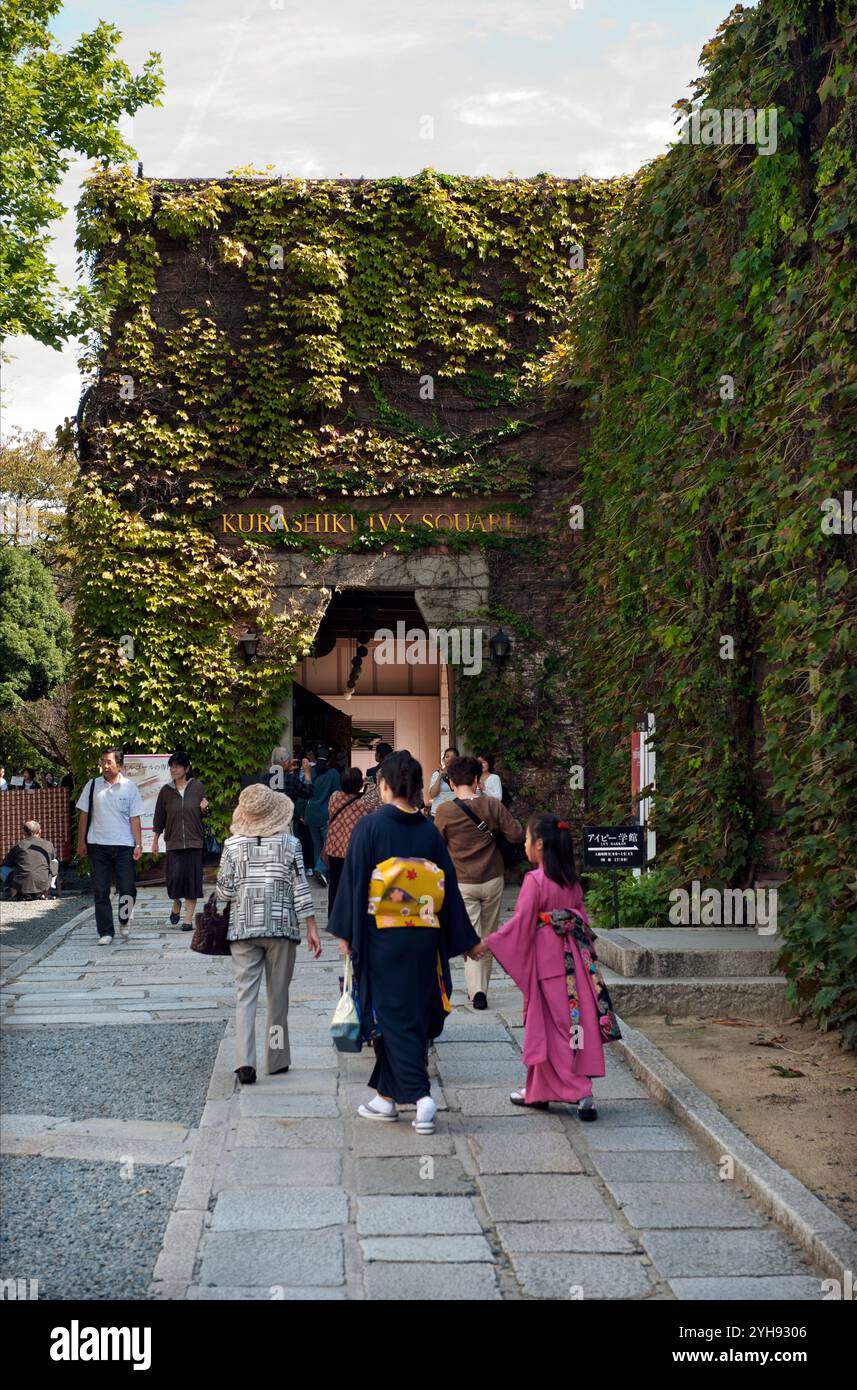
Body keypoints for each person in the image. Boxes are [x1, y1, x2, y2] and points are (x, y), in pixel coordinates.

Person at [327, 750, 479, 1135]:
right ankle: (385, 1098)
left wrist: (346, 932)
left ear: (386, 785)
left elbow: (355, 882)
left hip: (383, 938)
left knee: (393, 1019)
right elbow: (449, 889)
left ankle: (422, 1098)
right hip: (424, 937)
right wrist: (465, 940)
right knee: (408, 1013)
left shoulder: (371, 827)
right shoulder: (427, 831)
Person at [472, 813, 621, 1119]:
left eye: (527, 839)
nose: (525, 845)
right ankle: (540, 1090)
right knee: (574, 1025)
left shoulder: (535, 881)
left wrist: (486, 943)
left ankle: (581, 1092)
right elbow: (582, 920)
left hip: (549, 964)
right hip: (576, 962)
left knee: (553, 1029)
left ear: (540, 845)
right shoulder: (571, 881)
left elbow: (521, 923)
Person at [216, 783, 322, 1085]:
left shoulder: (232, 846)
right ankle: (275, 1059)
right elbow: (300, 887)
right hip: (281, 927)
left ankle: (244, 1061)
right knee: (278, 997)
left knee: (245, 995)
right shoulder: (291, 844)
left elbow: (224, 891)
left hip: (243, 927)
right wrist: (312, 926)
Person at [434, 754, 523, 1010]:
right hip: (493, 877)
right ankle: (482, 986)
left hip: (462, 881)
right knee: (489, 934)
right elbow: (516, 834)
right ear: (476, 779)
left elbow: (437, 847)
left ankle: (477, 991)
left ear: (451, 782)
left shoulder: (445, 810)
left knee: (470, 934)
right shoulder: (492, 805)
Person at [75, 748, 144, 944]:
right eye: (103, 761)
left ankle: (124, 918)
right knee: (101, 890)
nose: (105, 765)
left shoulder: (130, 787)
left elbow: (135, 818)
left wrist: (138, 844)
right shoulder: (92, 785)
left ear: (119, 765)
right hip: (98, 845)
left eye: (109, 762)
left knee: (128, 889)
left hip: (124, 845)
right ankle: (105, 932)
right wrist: (81, 842)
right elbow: (84, 815)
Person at [150, 751, 209, 929]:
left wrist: (205, 809)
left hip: (194, 841)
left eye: (177, 766)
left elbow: (205, 813)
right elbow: (159, 817)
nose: (174, 769)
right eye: (172, 766)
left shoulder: (198, 786)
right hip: (174, 842)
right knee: (174, 880)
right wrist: (155, 840)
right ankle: (176, 902)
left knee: (192, 881)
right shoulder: (166, 791)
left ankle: (188, 920)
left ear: (186, 768)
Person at [322, 768, 373, 911]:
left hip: (335, 848)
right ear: (358, 784)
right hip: (354, 850)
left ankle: (332, 915)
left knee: (335, 883)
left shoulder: (335, 797)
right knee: (355, 884)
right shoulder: (363, 803)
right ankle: (352, 914)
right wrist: (364, 788)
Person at [302, 751, 341, 887]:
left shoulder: (310, 771)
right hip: (326, 814)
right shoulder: (334, 774)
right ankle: (321, 870)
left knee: (317, 845)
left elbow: (304, 791)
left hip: (311, 814)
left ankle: (319, 872)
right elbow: (337, 793)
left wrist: (301, 813)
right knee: (327, 846)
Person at [2, 820, 58, 899]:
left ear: (24, 832)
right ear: (40, 831)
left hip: (20, 883)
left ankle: (14, 893)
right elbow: (52, 858)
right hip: (43, 881)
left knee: (3, 869)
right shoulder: (48, 844)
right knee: (55, 862)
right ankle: (45, 893)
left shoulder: (19, 845)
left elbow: (6, 863)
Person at [427, 746, 458, 817]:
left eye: (453, 757)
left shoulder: (461, 774)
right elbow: (432, 795)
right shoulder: (437, 774)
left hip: (455, 813)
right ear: (443, 759)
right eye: (447, 757)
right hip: (438, 813)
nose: (450, 759)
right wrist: (440, 777)